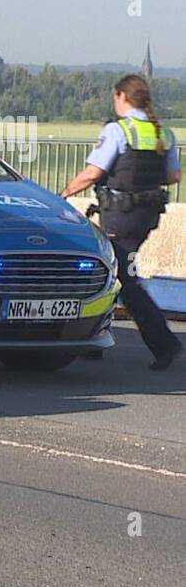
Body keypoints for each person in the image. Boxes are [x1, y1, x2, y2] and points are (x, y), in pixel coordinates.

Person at [61, 74, 182, 369]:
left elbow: (93, 172)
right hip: (147, 215)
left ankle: (164, 344)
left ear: (122, 97)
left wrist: (62, 194)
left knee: (122, 279)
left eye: (115, 97)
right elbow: (173, 176)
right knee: (114, 273)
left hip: (121, 215)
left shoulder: (119, 131)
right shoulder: (163, 133)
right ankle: (94, 340)